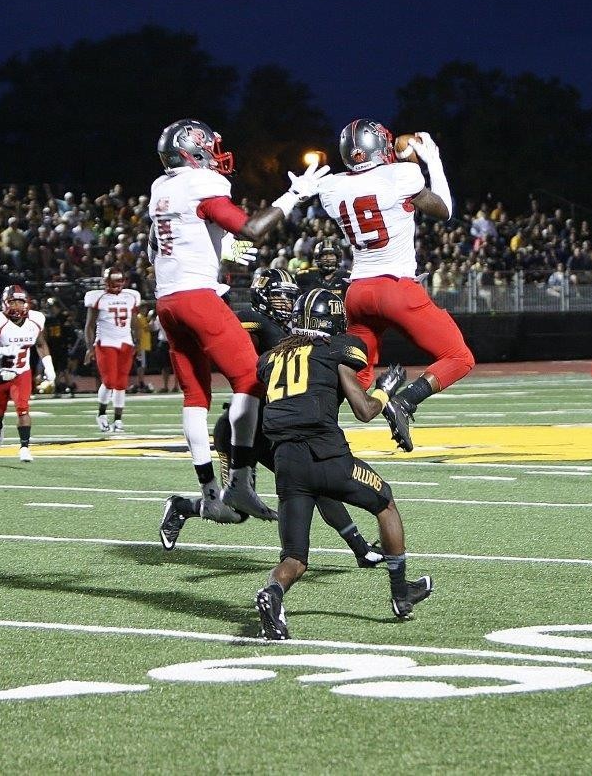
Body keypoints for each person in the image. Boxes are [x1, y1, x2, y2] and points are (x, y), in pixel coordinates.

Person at [148, 118, 326, 524]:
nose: (215, 154)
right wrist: (293, 195)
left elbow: (154, 249)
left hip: (167, 300)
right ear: (193, 151)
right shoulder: (202, 185)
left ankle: (209, 494)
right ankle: (241, 480)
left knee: (195, 397)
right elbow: (252, 228)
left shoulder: (162, 188)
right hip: (197, 297)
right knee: (251, 379)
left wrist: (217, 248)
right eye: (208, 147)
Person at [159, 268, 385, 569]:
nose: (283, 302)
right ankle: (182, 507)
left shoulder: (296, 328)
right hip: (244, 429)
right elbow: (222, 328)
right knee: (245, 507)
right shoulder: (257, 320)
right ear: (261, 293)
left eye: (289, 297)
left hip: (273, 426)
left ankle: (360, 549)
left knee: (311, 483)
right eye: (277, 295)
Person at [252, 288, 431, 640]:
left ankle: (272, 594)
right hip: (327, 455)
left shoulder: (271, 358)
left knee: (295, 559)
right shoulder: (337, 349)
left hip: (286, 463)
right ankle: (400, 593)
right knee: (386, 502)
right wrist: (385, 390)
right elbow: (364, 411)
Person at [310, 120, 475, 451]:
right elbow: (444, 209)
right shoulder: (402, 176)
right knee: (459, 356)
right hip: (395, 288)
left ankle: (316, 428)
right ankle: (406, 401)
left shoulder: (331, 188)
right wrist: (432, 159)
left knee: (357, 375)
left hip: (358, 291)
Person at [0, 285, 55, 462]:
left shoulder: (35, 320)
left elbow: (40, 343)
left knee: (23, 409)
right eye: (13, 302)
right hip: (0, 374)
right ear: (5, 303)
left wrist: (48, 366)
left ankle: (24, 447)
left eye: (20, 302)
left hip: (22, 373)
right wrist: (0, 351)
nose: (17, 306)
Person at [84, 266, 141, 432]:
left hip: (125, 342)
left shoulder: (131, 296)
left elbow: (134, 321)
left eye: (119, 280)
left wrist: (137, 341)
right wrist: (89, 347)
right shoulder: (98, 297)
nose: (117, 284)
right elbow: (89, 326)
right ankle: (101, 414)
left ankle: (118, 421)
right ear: (106, 281)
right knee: (109, 382)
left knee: (122, 383)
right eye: (113, 281)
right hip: (105, 342)